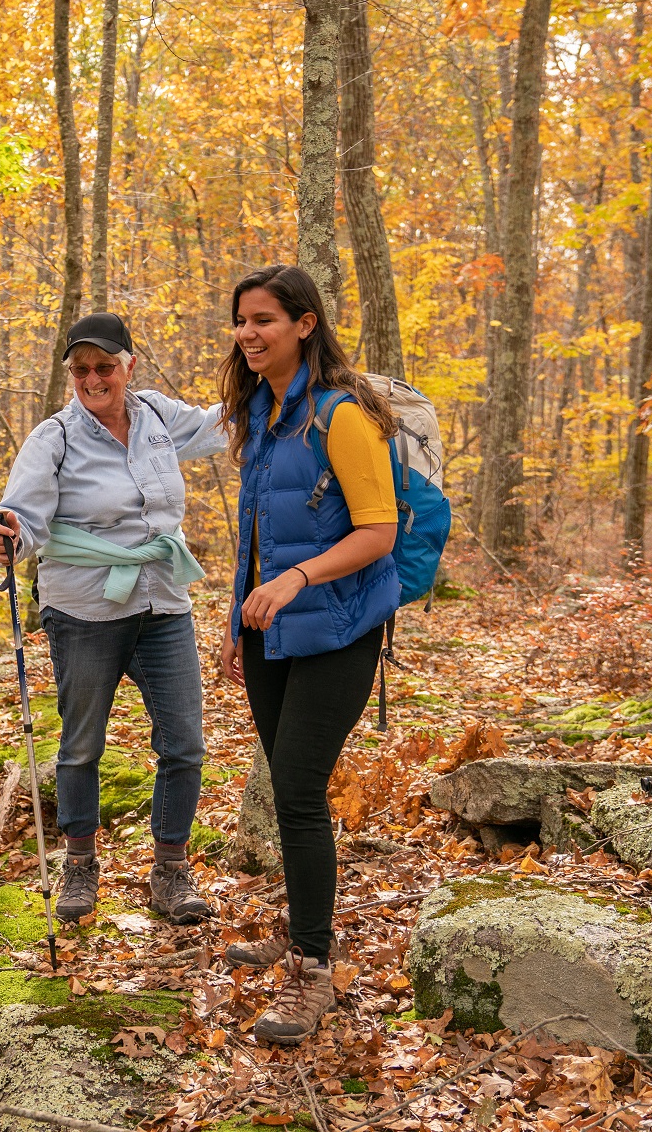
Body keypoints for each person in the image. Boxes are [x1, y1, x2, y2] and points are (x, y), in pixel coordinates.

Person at [0, 312, 227, 925]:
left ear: (128, 366)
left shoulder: (157, 417)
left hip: (163, 601)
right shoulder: (54, 438)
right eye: (81, 369)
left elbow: (223, 424)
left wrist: (290, 385)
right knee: (82, 744)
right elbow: (22, 513)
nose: (93, 378)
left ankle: (170, 871)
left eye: (105, 366)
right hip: (85, 608)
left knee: (185, 744)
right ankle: (79, 864)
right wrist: (6, 534)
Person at [215, 264, 401, 1045]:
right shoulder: (260, 411)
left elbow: (379, 532)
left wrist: (295, 580)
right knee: (295, 793)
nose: (248, 334)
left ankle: (313, 973)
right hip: (271, 633)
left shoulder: (341, 416)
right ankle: (302, 930)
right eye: (241, 321)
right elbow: (258, 531)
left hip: (339, 629)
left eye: (263, 319)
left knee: (295, 789)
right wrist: (237, 618)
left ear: (305, 324)